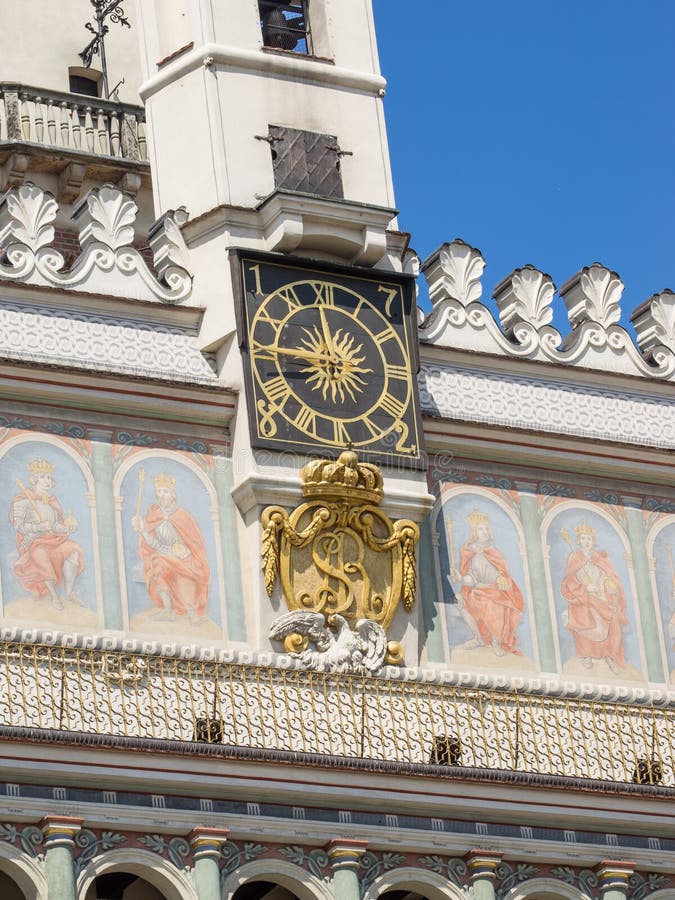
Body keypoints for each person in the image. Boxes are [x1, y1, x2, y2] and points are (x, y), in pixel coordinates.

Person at [132, 472, 210, 622]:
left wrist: (182, 552)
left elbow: (194, 542)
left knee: (182, 571)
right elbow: (156, 545)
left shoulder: (182, 515)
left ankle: (191, 612)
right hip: (165, 554)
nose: (162, 495)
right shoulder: (155, 516)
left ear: (173, 494)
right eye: (159, 492)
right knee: (158, 564)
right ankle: (168, 611)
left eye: (165, 491)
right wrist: (143, 530)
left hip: (185, 557)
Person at [10, 458, 85, 610]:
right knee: (41, 554)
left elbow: (54, 525)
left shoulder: (51, 501)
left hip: (52, 540)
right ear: (35, 480)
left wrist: (65, 529)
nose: (47, 481)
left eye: (49, 477)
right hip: (34, 542)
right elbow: (18, 525)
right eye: (43, 477)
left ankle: (69, 592)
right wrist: (37, 527)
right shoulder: (23, 500)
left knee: (75, 550)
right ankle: (54, 595)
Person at [449, 509, 524, 656]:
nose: (483, 532)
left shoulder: (494, 552)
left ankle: (496, 643)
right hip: (476, 590)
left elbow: (503, 574)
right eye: (480, 528)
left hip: (494, 591)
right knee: (459, 599)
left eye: (486, 529)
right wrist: (460, 578)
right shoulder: (468, 551)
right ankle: (478, 638)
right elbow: (470, 578)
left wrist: (501, 579)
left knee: (494, 603)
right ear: (474, 532)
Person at [561, 519, 628, 675]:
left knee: (611, 620)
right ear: (578, 541)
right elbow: (569, 580)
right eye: (584, 538)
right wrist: (584, 588)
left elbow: (607, 576)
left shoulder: (600, 558)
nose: (587, 541)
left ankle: (609, 656)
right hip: (584, 598)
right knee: (586, 621)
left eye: (589, 539)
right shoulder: (575, 557)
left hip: (601, 597)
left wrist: (609, 585)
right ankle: (586, 655)